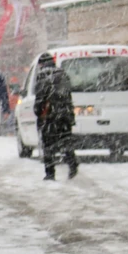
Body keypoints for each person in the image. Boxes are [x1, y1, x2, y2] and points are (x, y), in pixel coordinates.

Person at [33, 52, 77, 180]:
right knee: (65, 141)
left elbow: (40, 99)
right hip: (65, 115)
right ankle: (72, 164)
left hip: (50, 117)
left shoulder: (42, 76)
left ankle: (50, 173)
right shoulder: (63, 74)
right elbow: (68, 95)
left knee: (48, 145)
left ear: (41, 64)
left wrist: (38, 112)